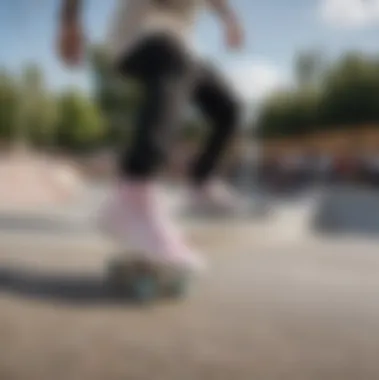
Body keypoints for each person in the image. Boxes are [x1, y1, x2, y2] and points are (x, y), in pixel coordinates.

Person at [58, 0, 246, 272]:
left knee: (228, 109)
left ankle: (200, 182)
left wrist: (231, 21)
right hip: (136, 38)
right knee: (174, 60)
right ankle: (132, 196)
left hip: (182, 48)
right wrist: (70, 23)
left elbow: (219, 3)